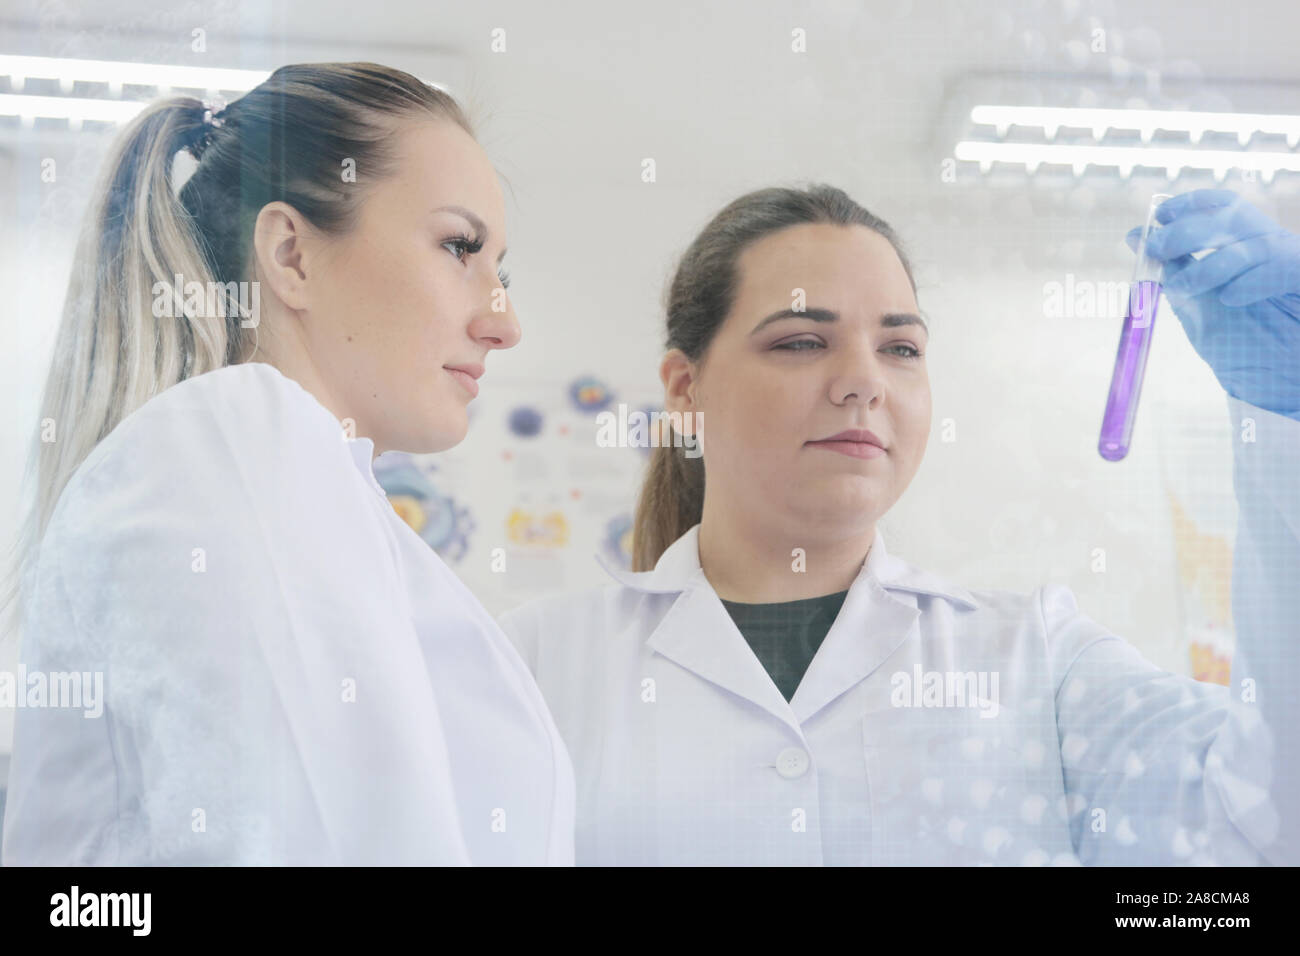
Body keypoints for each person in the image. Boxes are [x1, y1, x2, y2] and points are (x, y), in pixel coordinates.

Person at [499, 183, 1300, 866]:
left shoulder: (1038, 660)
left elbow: (1261, 826)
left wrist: (1285, 413)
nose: (862, 382)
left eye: (901, 347)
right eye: (803, 340)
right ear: (684, 390)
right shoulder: (534, 665)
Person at [1, 63, 574, 865]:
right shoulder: (236, 446)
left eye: (499, 270)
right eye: (458, 247)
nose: (503, 323)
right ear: (292, 254)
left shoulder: (291, 479)